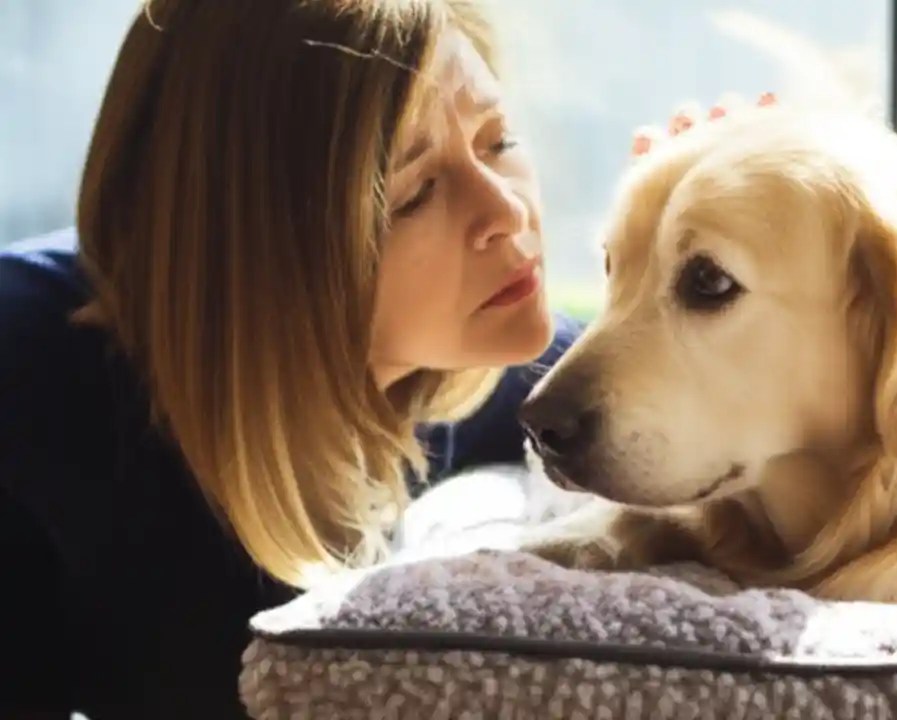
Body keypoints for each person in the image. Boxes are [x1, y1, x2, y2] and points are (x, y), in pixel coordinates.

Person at [0, 1, 762, 717]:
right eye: (417, 192)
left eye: (498, 140)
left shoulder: (509, 376)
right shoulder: (31, 387)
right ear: (259, 248)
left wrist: (724, 268)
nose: (507, 210)